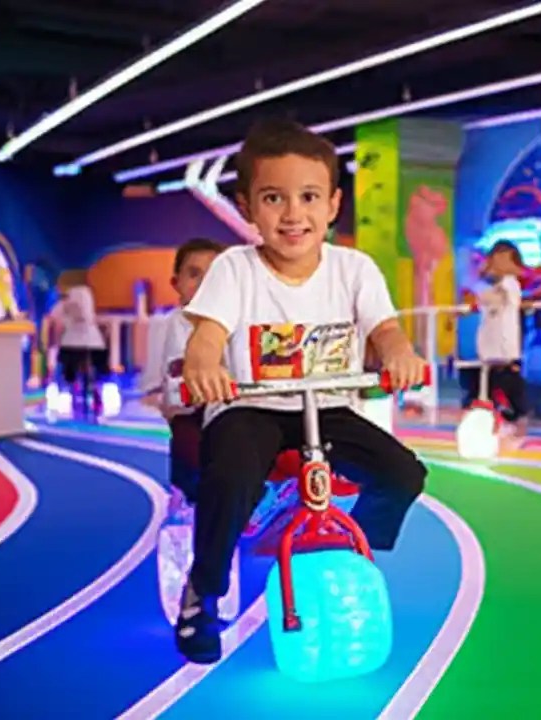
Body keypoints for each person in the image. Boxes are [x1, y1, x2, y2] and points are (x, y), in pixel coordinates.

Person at [177, 117, 429, 664]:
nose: (294, 214)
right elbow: (207, 336)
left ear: (334, 204)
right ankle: (205, 588)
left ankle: (355, 550)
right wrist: (203, 365)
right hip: (252, 406)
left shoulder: (354, 269)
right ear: (246, 207)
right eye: (274, 198)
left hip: (329, 406)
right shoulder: (235, 270)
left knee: (405, 473)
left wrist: (398, 353)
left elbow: (385, 329)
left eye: (309, 197)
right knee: (229, 478)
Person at [138, 237, 225, 510]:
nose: (202, 284)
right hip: (188, 413)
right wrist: (166, 401)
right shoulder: (167, 325)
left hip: (230, 412)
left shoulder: (234, 322)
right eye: (193, 274)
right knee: (190, 466)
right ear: (176, 283)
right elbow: (156, 379)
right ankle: (187, 507)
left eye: (212, 276)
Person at [464, 240, 530, 441]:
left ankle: (518, 424)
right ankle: (499, 424)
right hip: (490, 348)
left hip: (505, 350)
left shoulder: (509, 285)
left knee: (511, 388)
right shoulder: (490, 286)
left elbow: (494, 299)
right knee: (487, 389)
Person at [47, 277, 109, 407]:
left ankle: (81, 391)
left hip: (76, 341)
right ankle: (90, 391)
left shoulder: (70, 299)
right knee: (88, 368)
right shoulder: (81, 296)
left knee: (79, 368)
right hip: (86, 340)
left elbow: (56, 317)